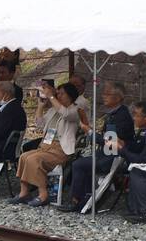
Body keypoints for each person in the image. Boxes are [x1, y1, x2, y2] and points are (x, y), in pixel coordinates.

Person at [58, 82, 135, 212]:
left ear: (118, 97)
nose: (103, 96)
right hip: (107, 153)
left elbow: (110, 142)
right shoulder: (115, 113)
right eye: (104, 94)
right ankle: (85, 198)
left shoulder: (120, 116)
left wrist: (90, 132)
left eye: (107, 94)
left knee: (79, 164)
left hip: (113, 157)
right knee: (83, 161)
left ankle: (76, 200)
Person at [11, 82, 82, 206]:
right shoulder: (53, 110)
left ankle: (43, 194)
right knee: (24, 157)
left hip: (60, 150)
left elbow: (65, 114)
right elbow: (39, 124)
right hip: (45, 146)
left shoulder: (75, 110)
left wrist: (51, 96)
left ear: (70, 96)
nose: (58, 96)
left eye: (62, 94)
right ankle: (24, 192)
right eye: (58, 93)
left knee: (34, 160)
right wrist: (40, 106)